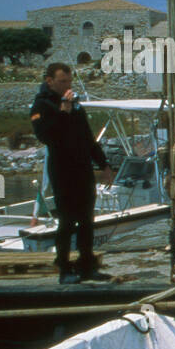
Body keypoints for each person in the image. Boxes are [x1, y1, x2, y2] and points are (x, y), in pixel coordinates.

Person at [30, 62, 113, 284]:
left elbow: (87, 138)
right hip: (62, 170)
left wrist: (104, 165)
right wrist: (63, 113)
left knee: (86, 220)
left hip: (82, 169)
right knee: (67, 222)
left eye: (69, 81)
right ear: (50, 81)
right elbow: (46, 136)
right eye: (62, 81)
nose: (67, 85)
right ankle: (64, 269)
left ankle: (87, 266)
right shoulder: (41, 105)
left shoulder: (75, 105)